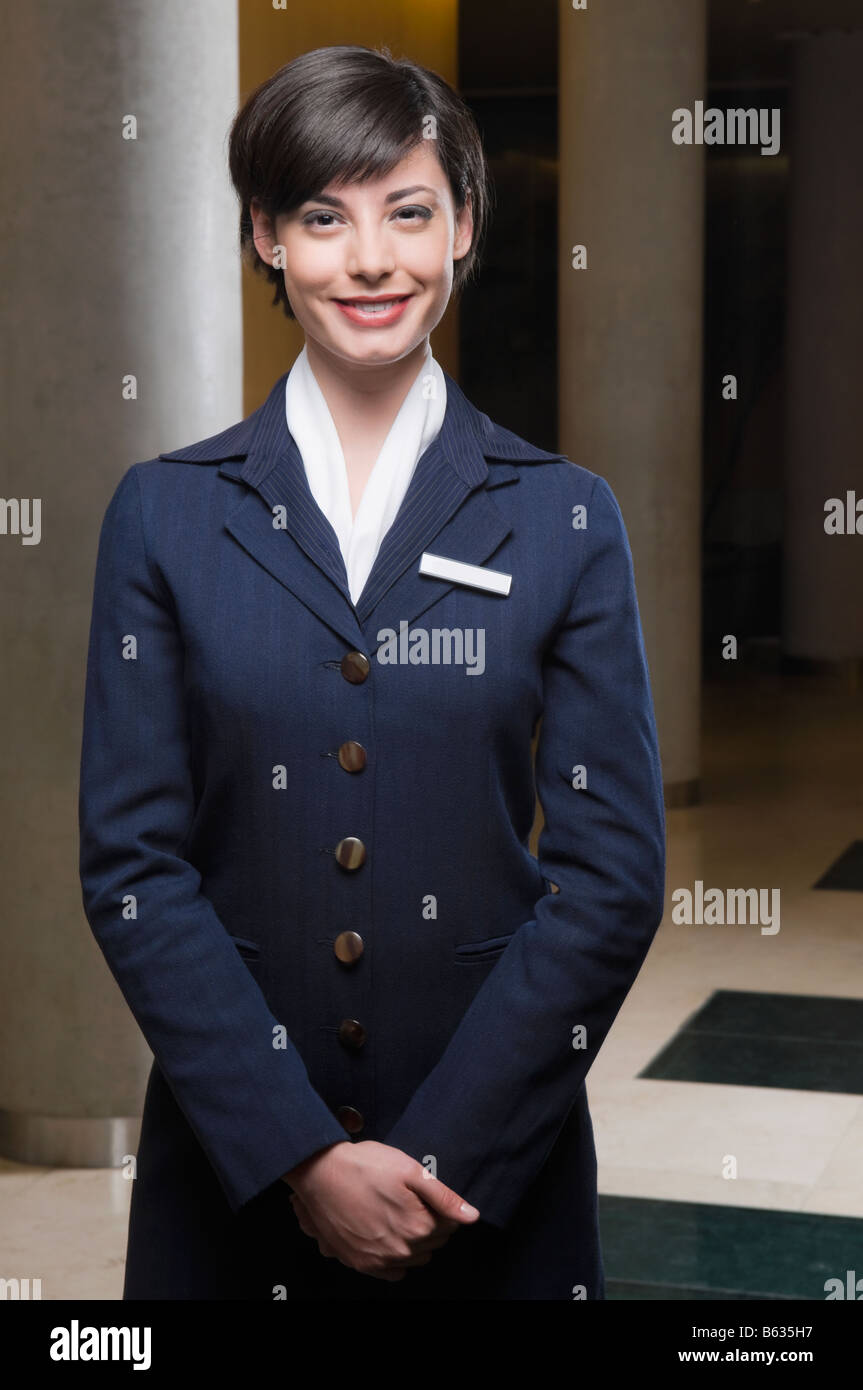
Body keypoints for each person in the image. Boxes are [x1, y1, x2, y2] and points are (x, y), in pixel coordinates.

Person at [78, 43, 666, 1301]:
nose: (371, 259)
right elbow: (133, 866)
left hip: (490, 1172)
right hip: (230, 1171)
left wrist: (438, 1154)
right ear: (266, 240)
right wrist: (300, 1156)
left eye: (408, 211)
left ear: (461, 229)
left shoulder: (564, 517)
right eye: (322, 217)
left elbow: (611, 876)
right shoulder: (164, 517)